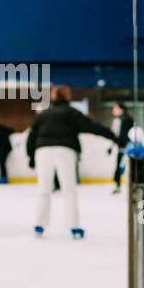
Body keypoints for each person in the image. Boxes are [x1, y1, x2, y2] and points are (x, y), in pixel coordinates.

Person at [26, 85, 118, 240]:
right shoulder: (71, 112)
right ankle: (73, 226)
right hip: (65, 151)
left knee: (44, 188)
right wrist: (113, 136)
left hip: (43, 151)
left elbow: (32, 136)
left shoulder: (44, 114)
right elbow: (91, 126)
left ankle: (39, 224)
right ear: (67, 97)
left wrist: (30, 156)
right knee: (69, 188)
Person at [110, 101, 135, 192]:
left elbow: (125, 135)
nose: (113, 110)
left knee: (124, 167)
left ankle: (129, 186)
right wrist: (112, 146)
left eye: (115, 108)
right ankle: (118, 185)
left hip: (127, 148)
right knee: (120, 167)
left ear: (121, 109)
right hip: (122, 147)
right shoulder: (118, 120)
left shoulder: (127, 120)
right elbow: (115, 135)